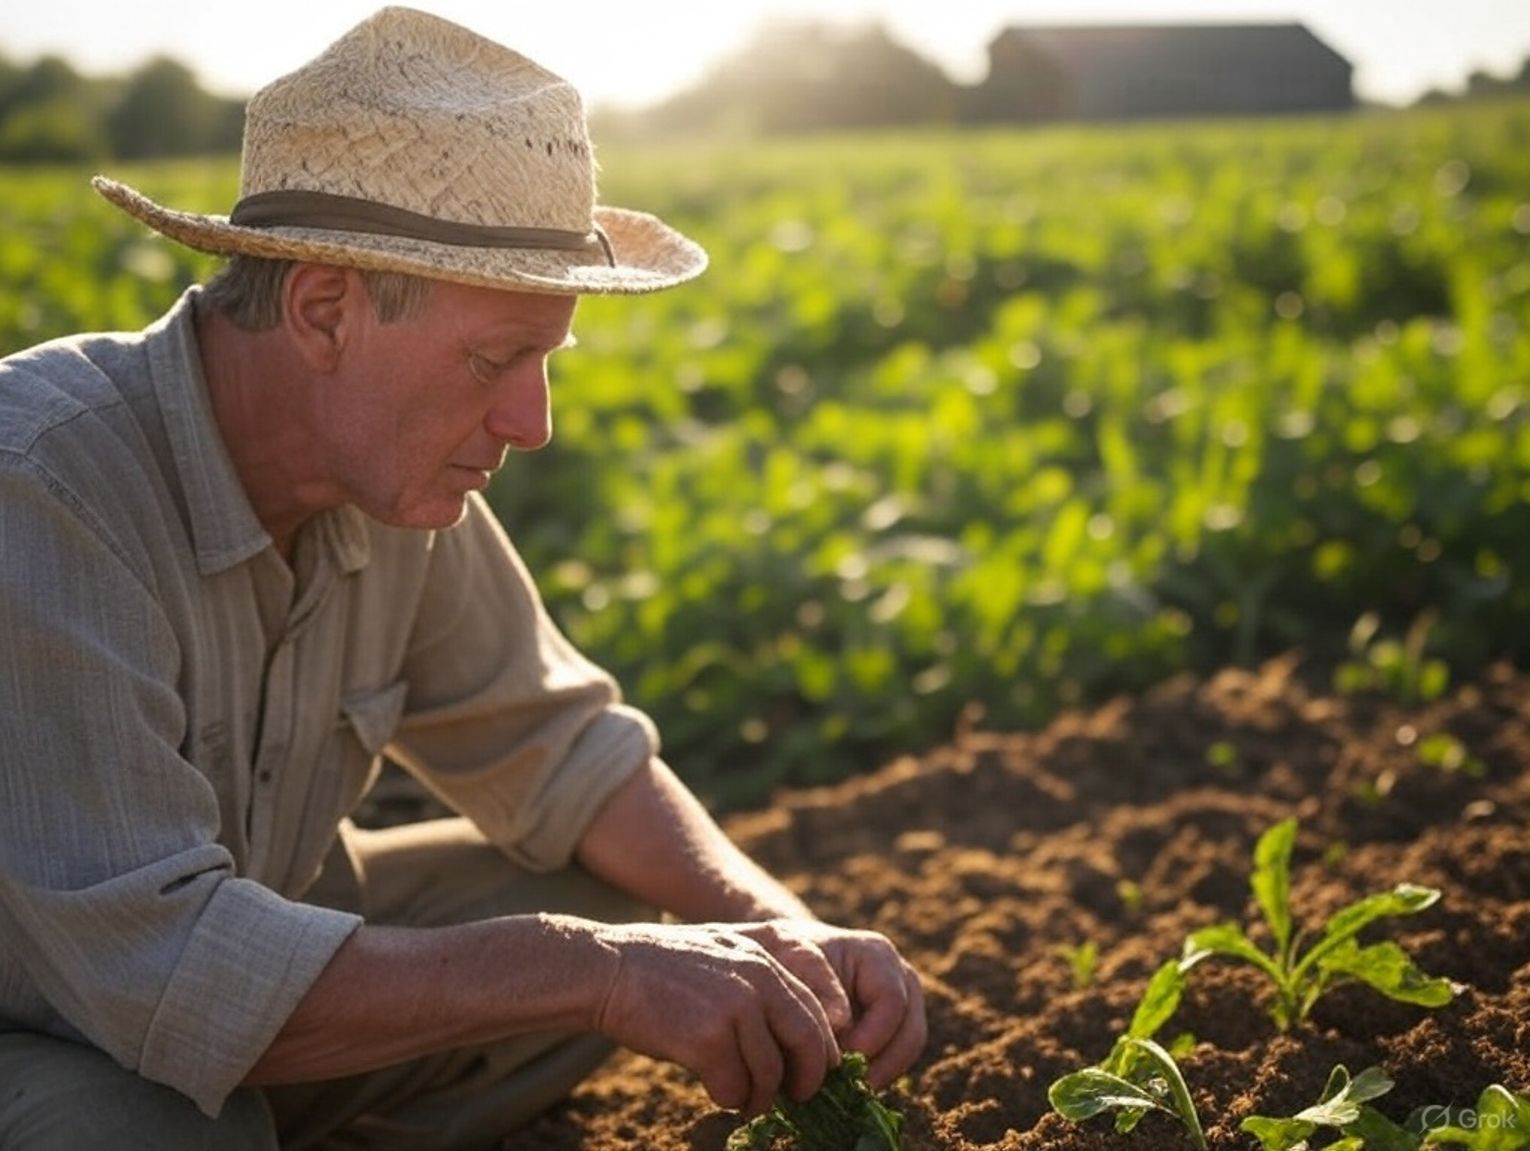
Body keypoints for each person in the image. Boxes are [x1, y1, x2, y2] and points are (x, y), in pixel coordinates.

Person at [0, 8, 925, 1149]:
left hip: (217, 981)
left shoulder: (389, 477)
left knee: (626, 906)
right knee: (158, 1130)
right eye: (495, 359)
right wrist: (597, 972)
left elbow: (562, 746)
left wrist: (778, 932)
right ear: (323, 310)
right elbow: (166, 970)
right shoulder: (42, 488)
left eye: (544, 358)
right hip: (43, 1021)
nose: (531, 421)